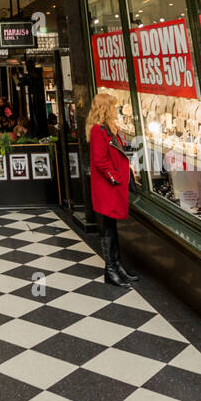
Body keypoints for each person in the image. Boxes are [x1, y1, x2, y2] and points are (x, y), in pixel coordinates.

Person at [86, 89, 138, 286]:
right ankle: (110, 270)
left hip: (110, 187)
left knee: (112, 229)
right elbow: (100, 161)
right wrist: (115, 178)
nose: (116, 110)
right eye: (114, 107)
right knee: (108, 230)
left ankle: (118, 267)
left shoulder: (107, 129)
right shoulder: (98, 131)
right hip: (107, 188)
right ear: (106, 109)